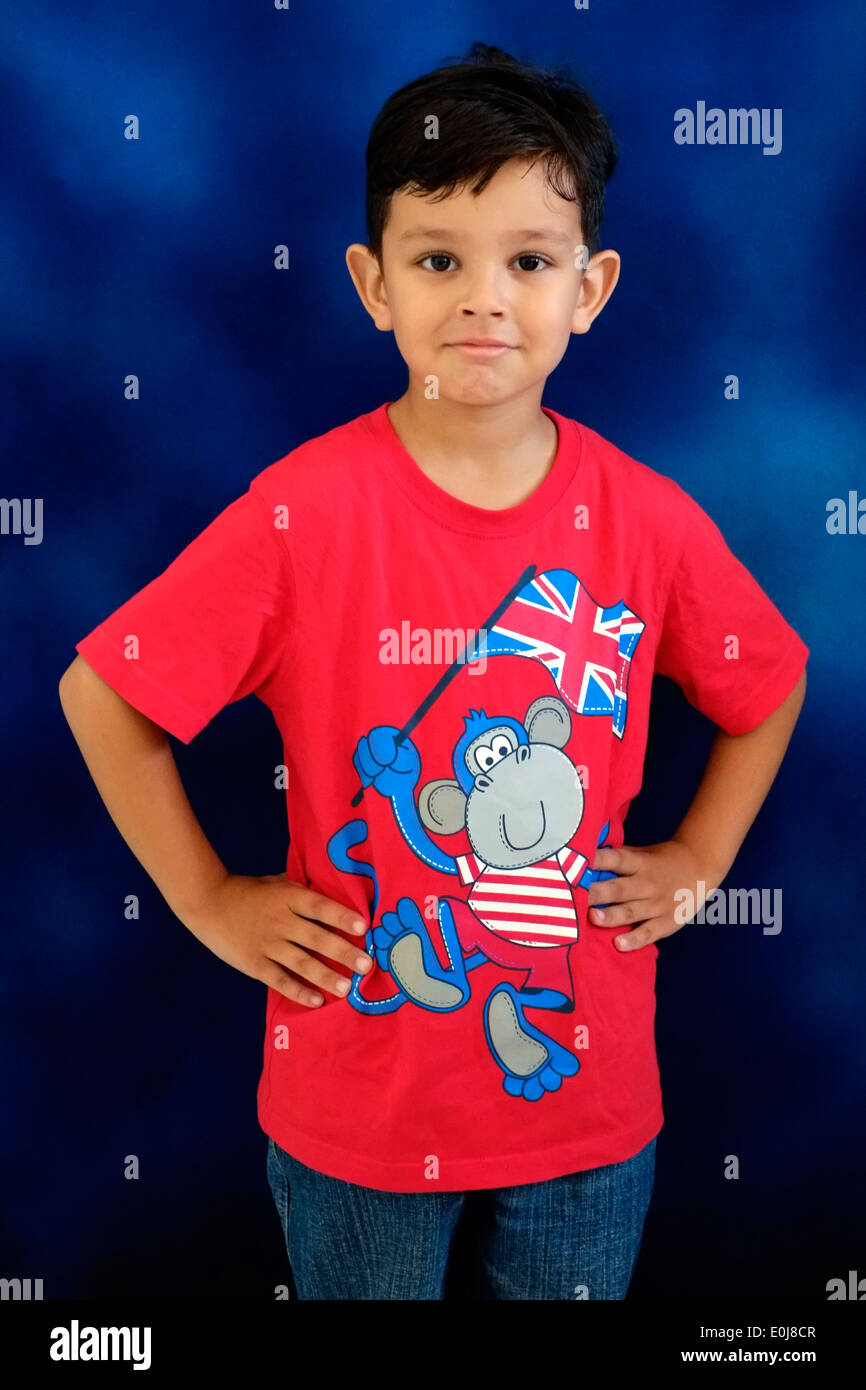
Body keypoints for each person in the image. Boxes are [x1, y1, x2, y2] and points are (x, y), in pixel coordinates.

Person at [59, 43, 808, 1300]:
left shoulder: (649, 522)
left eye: (527, 260)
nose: (482, 298)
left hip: (585, 1109)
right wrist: (203, 899)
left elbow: (766, 680)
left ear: (591, 285)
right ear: (371, 283)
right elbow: (107, 693)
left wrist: (701, 860)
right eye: (437, 258)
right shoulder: (302, 513)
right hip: (353, 1113)